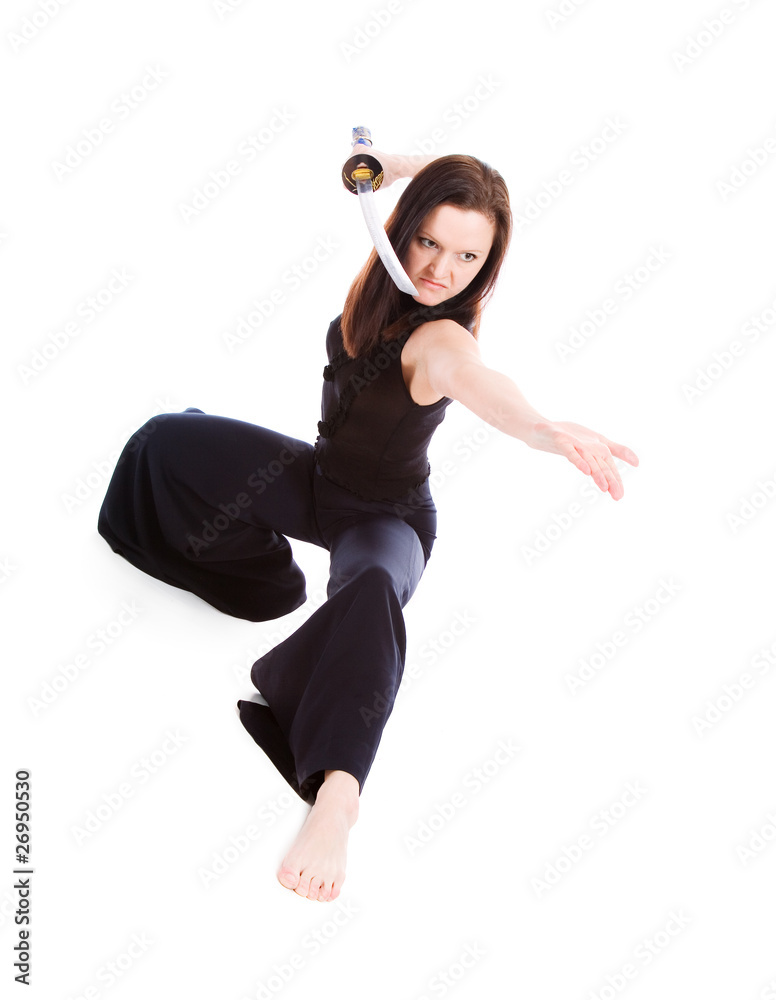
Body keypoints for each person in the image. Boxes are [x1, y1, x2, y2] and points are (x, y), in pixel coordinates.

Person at [97, 150, 639, 905]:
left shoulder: (442, 340)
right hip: (318, 482)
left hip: (387, 520)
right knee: (164, 440)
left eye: (467, 258)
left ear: (486, 267)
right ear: (405, 227)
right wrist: (391, 165)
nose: (441, 269)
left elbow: (481, 386)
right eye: (428, 242)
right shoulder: (387, 279)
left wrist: (544, 429)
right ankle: (264, 580)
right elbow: (409, 179)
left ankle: (337, 797)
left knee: (373, 591)